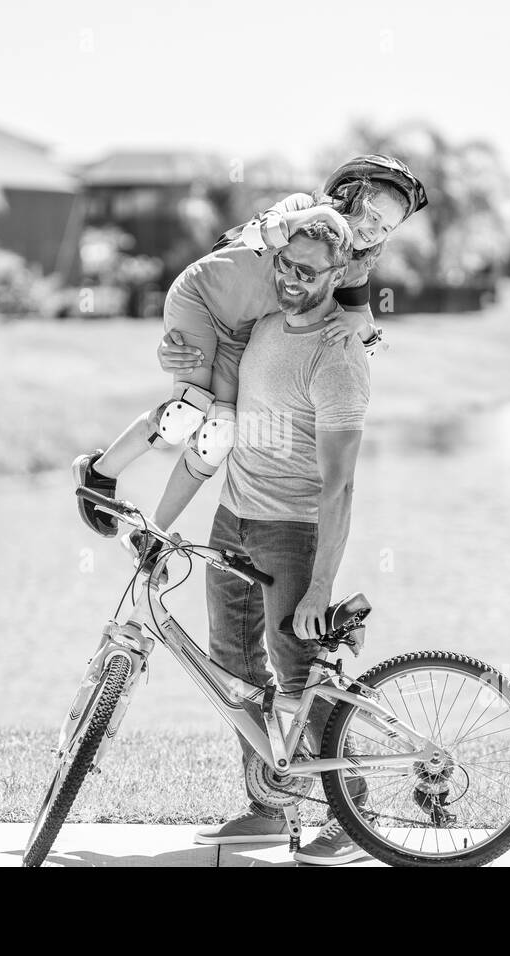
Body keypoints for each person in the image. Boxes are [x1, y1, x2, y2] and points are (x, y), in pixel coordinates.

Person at [73, 156, 426, 549]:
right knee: (184, 412)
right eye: (373, 216)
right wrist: (319, 215)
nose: (375, 232)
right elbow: (260, 236)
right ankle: (98, 471)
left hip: (240, 334)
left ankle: (150, 534)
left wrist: (359, 327)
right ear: (350, 195)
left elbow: (366, 325)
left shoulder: (351, 264)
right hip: (201, 299)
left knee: (218, 435)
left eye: (386, 228)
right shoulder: (299, 209)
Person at [187, 220, 373, 865]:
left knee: (300, 674)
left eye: (310, 272)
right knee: (232, 663)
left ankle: (354, 817)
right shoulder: (267, 325)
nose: (293, 281)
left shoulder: (337, 358)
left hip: (292, 530)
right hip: (233, 516)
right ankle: (270, 807)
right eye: (286, 266)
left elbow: (340, 487)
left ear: (339, 273)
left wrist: (322, 583)